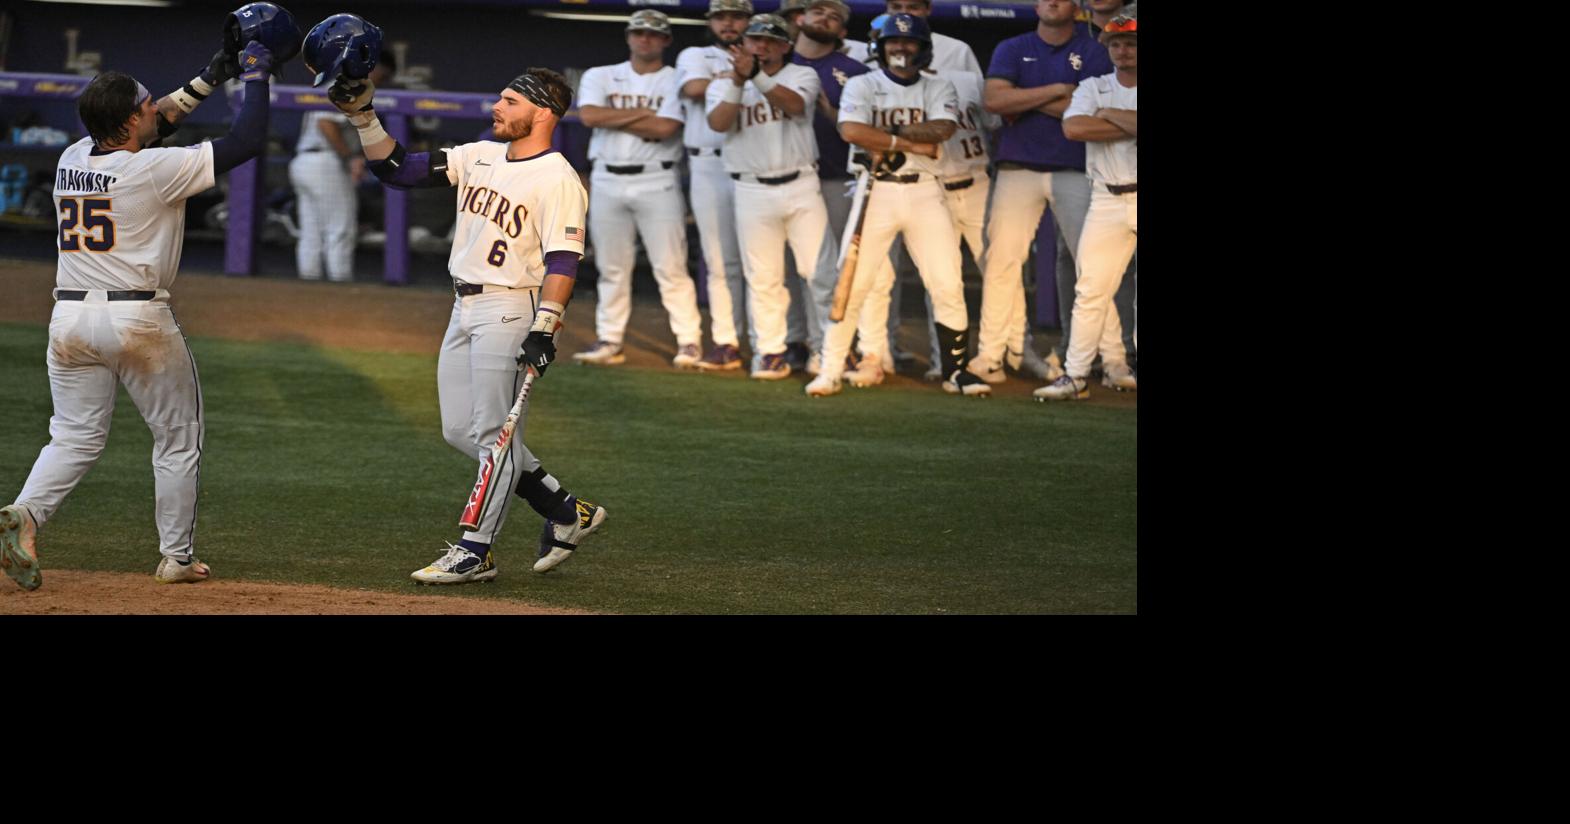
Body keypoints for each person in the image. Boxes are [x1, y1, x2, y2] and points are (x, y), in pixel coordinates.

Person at [1, 28, 282, 591]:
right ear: (131, 122)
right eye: (147, 106)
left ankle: (26, 515)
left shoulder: (72, 156)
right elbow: (246, 141)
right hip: (138, 322)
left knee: (74, 437)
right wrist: (254, 73)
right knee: (177, 440)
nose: (158, 109)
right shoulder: (153, 170)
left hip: (70, 322)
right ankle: (175, 557)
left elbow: (163, 121)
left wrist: (209, 76)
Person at [327, 59, 606, 579]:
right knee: (462, 431)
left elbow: (564, 259)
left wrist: (546, 325)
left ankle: (476, 550)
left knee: (494, 436)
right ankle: (567, 511)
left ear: (543, 113)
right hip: (463, 306)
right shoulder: (478, 154)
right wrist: (364, 118)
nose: (496, 107)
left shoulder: (558, 177)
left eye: (510, 101)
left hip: (510, 307)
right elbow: (400, 170)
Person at [804, 13, 989, 398]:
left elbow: (943, 130)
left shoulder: (939, 87)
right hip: (875, 191)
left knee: (947, 283)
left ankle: (956, 372)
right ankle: (832, 368)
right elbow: (851, 130)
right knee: (852, 283)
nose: (901, 49)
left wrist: (887, 135)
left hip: (925, 191)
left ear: (923, 49)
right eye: (894, 43)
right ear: (880, 47)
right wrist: (911, 144)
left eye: (910, 43)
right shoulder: (862, 83)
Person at [975, 0, 1112, 384]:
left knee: (1093, 265)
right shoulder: (1013, 47)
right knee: (1001, 260)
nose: (1053, 1)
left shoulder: (1095, 50)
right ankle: (990, 354)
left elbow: (1094, 112)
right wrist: (1056, 90)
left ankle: (1101, 360)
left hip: (1075, 167)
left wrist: (1027, 96)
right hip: (1017, 167)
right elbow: (995, 100)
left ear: (1077, 6)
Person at [571, 10, 705, 369]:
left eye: (653, 34)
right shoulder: (601, 74)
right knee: (612, 267)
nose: (645, 39)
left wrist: (616, 116)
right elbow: (590, 117)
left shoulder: (676, 78)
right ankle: (609, 339)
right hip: (607, 178)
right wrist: (644, 118)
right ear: (629, 37)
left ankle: (689, 341)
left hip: (656, 178)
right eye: (639, 32)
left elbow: (666, 129)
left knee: (670, 266)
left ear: (665, 40)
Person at [705, 13, 833, 380]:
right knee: (763, 278)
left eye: (771, 40)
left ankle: (827, 349)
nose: (762, 46)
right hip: (750, 187)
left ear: (785, 46)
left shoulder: (802, 75)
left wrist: (755, 77)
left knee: (818, 272)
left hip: (801, 185)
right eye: (755, 39)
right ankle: (769, 351)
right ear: (742, 45)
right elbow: (718, 123)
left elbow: (794, 106)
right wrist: (737, 81)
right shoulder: (722, 83)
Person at [790, 0, 893, 384]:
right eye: (818, 11)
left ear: (843, 33)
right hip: (787, 178)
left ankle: (841, 346)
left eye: (835, 17)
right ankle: (794, 340)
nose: (825, 19)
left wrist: (829, 108)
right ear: (800, 19)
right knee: (789, 270)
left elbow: (859, 131)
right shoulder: (776, 62)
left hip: (837, 177)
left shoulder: (854, 71)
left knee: (833, 267)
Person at [1037, 6, 1136, 400]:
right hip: (1106, 196)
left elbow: (1092, 125)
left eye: (1130, 43)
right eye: (1116, 43)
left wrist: (1109, 116)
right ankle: (1075, 376)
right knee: (1090, 290)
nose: (1123, 51)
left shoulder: (1101, 98)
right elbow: (1074, 127)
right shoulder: (1093, 85)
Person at [675, 0, 754, 371]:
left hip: (757, 159)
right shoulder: (698, 53)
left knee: (764, 262)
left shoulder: (764, 50)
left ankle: (776, 341)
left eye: (736, 16)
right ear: (710, 21)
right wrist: (737, 76)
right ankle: (727, 340)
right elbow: (692, 88)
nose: (729, 23)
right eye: (721, 16)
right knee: (720, 259)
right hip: (709, 161)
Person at [290, 52, 394, 283]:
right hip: (325, 163)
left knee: (312, 230)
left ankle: (309, 285)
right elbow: (326, 123)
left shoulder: (338, 85)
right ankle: (340, 285)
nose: (381, 81)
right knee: (340, 228)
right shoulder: (347, 86)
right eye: (382, 75)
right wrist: (349, 158)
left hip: (305, 162)